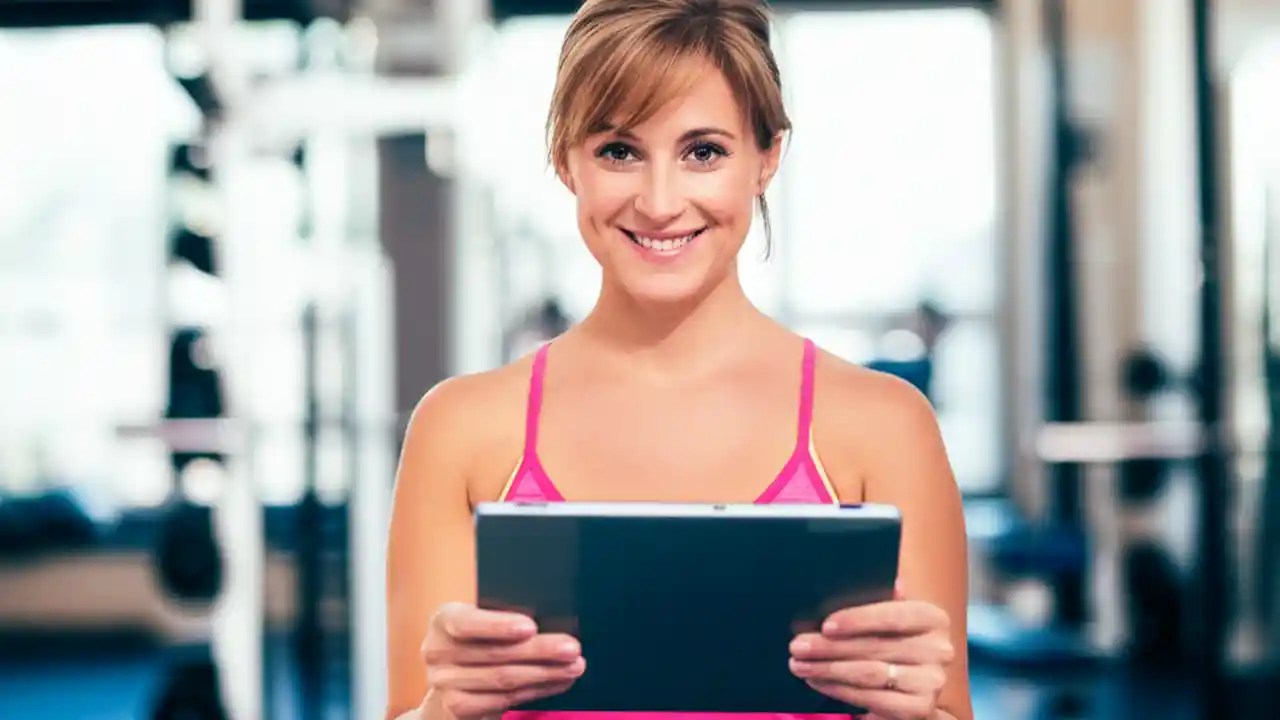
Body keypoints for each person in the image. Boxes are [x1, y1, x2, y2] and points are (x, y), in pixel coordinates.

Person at [385, 0, 972, 718]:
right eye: (619, 151)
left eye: (703, 152)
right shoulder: (460, 429)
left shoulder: (884, 426)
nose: (660, 203)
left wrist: (908, 709)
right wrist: (445, 708)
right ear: (566, 162)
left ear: (766, 159)